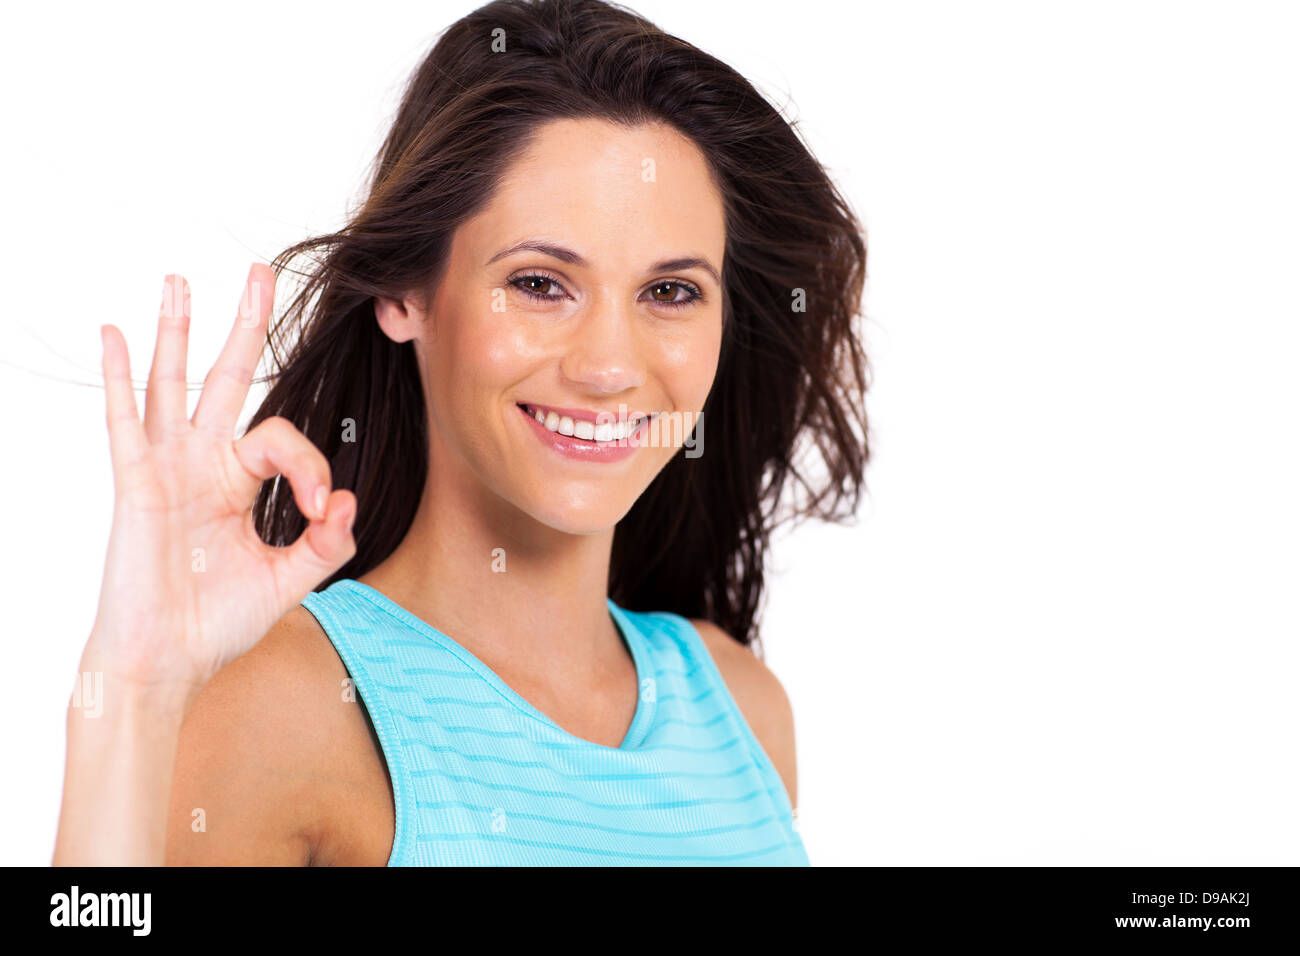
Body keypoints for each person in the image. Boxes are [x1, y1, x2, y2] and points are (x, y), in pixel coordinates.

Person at [53, 0, 869, 866]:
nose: (608, 367)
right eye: (539, 283)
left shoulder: (742, 711)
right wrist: (136, 695)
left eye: (670, 292)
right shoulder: (283, 706)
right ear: (407, 295)